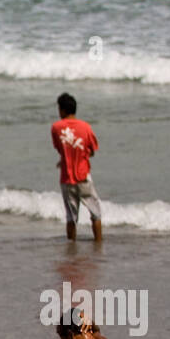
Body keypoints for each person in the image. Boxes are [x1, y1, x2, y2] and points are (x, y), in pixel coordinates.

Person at [51, 92, 102, 242]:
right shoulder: (85, 127)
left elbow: (61, 149)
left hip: (67, 177)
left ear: (63, 110)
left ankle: (72, 246)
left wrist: (65, 160)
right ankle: (98, 244)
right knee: (96, 213)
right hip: (83, 175)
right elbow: (91, 151)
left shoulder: (56, 128)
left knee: (71, 217)